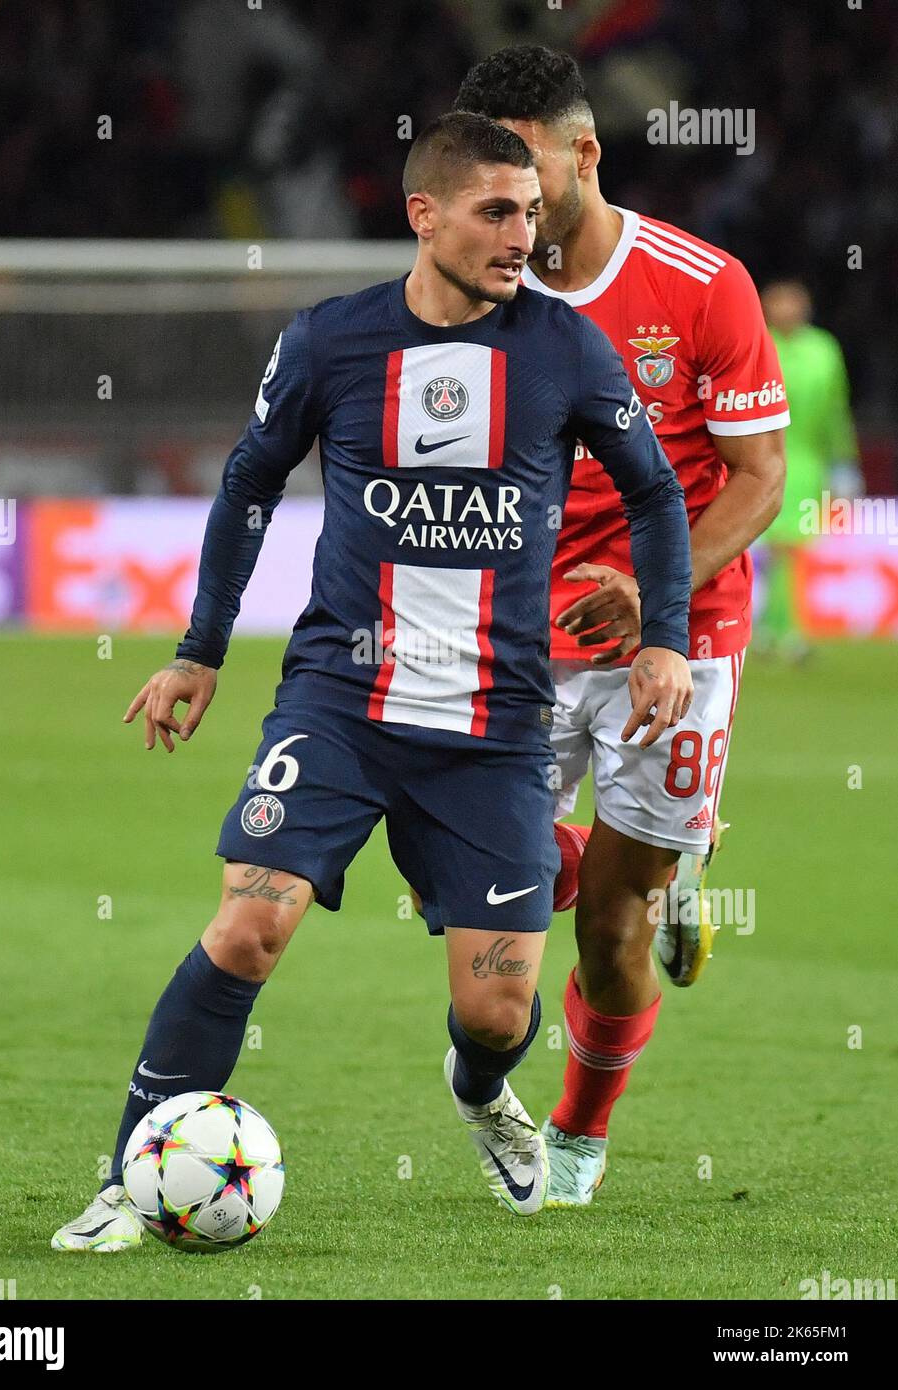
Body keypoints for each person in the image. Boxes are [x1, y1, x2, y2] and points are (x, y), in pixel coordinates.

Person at [51, 111, 692, 1251]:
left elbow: (652, 493)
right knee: (250, 926)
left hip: (497, 727)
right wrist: (201, 649)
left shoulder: (566, 350)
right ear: (424, 214)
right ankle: (128, 1177)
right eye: (497, 212)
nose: (521, 235)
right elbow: (249, 480)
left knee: (494, 1009)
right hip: (340, 703)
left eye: (531, 212)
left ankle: (480, 1085)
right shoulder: (330, 341)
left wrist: (665, 637)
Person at [454, 46, 787, 1205]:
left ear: (584, 153)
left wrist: (656, 589)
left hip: (675, 644)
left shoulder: (703, 286)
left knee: (609, 933)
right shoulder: (475, 288)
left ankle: (580, 1135)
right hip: (524, 639)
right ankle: (663, 861)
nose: (508, 202)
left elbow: (758, 477)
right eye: (485, 177)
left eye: (526, 167)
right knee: (480, 891)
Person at [758, 279, 860, 660]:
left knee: (791, 549)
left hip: (808, 463)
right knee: (778, 550)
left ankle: (778, 631)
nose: (787, 310)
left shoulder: (824, 349)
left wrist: (844, 462)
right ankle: (783, 632)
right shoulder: (757, 343)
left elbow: (836, 410)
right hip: (761, 458)